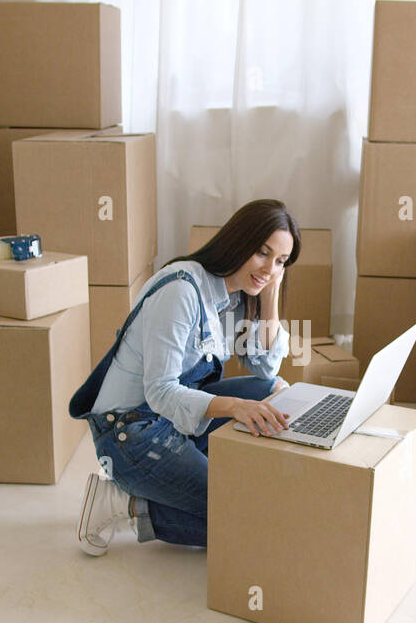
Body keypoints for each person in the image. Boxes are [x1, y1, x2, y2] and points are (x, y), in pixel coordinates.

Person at [69, 199, 301, 555]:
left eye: (281, 261)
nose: (270, 268)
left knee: (270, 390)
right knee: (246, 518)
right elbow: (161, 391)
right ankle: (123, 505)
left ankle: (229, 477)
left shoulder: (237, 292)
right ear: (238, 241)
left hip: (171, 419)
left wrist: (270, 295)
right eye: (262, 253)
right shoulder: (182, 290)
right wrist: (236, 407)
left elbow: (265, 368)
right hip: (131, 431)